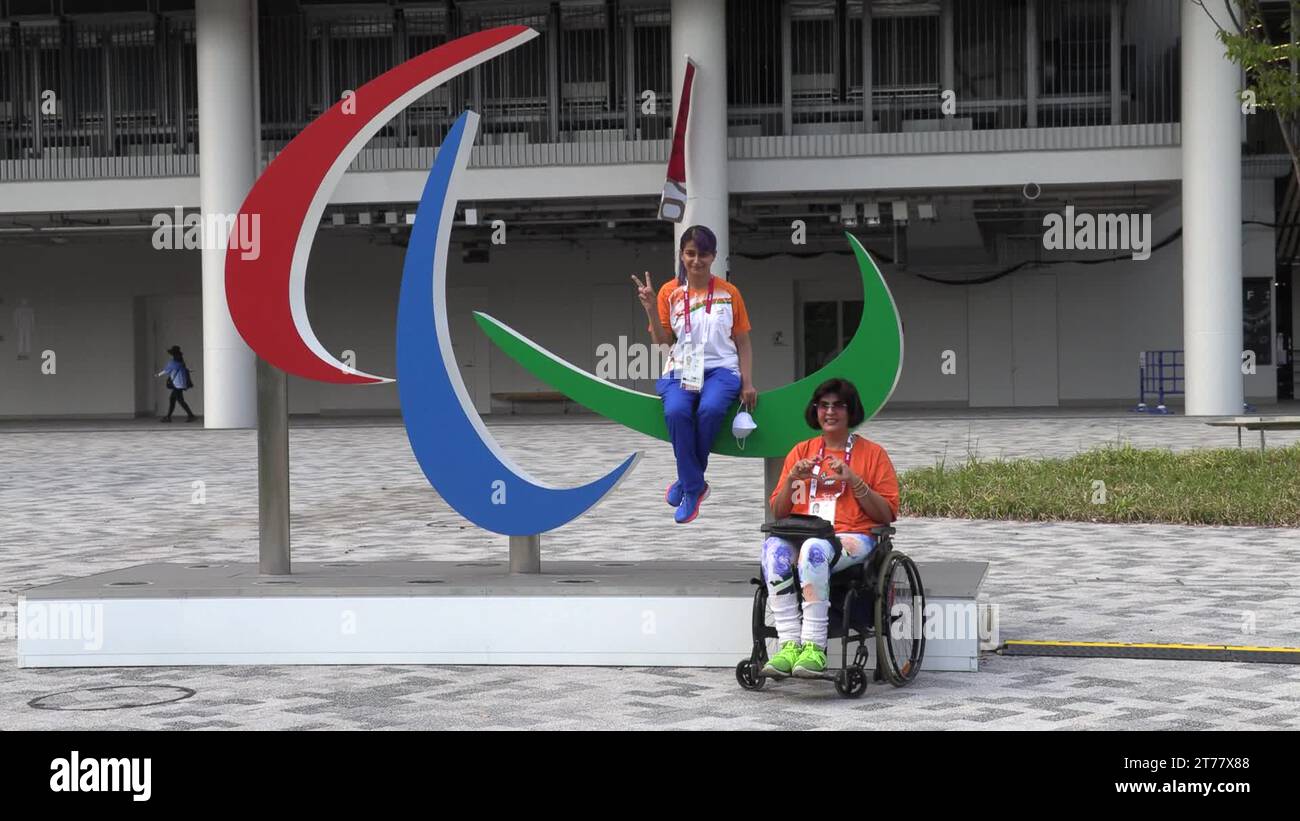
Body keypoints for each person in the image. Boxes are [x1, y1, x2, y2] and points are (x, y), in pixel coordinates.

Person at [761, 378, 899, 677]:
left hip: (853, 536)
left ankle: (814, 647)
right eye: (823, 405)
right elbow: (779, 511)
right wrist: (790, 480)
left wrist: (854, 479)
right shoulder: (801, 452)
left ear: (851, 411)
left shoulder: (872, 454)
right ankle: (788, 645)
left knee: (814, 550)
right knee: (773, 549)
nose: (830, 411)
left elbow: (886, 513)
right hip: (805, 533)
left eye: (838, 405)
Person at [632, 225, 758, 524]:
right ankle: (694, 485)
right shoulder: (668, 292)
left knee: (711, 410)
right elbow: (662, 343)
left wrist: (748, 382)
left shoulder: (730, 293)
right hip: (683, 365)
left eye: (703, 253)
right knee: (676, 411)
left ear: (713, 256)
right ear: (682, 255)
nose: (696, 260)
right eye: (690, 253)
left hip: (722, 369)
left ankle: (688, 484)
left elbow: (743, 341)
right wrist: (650, 309)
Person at [156, 345, 197, 423]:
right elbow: (186, 370)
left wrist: (158, 375)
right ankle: (168, 417)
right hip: (181, 384)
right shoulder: (181, 362)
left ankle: (191, 415)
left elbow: (166, 371)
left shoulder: (172, 363)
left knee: (180, 401)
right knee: (173, 399)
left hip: (176, 384)